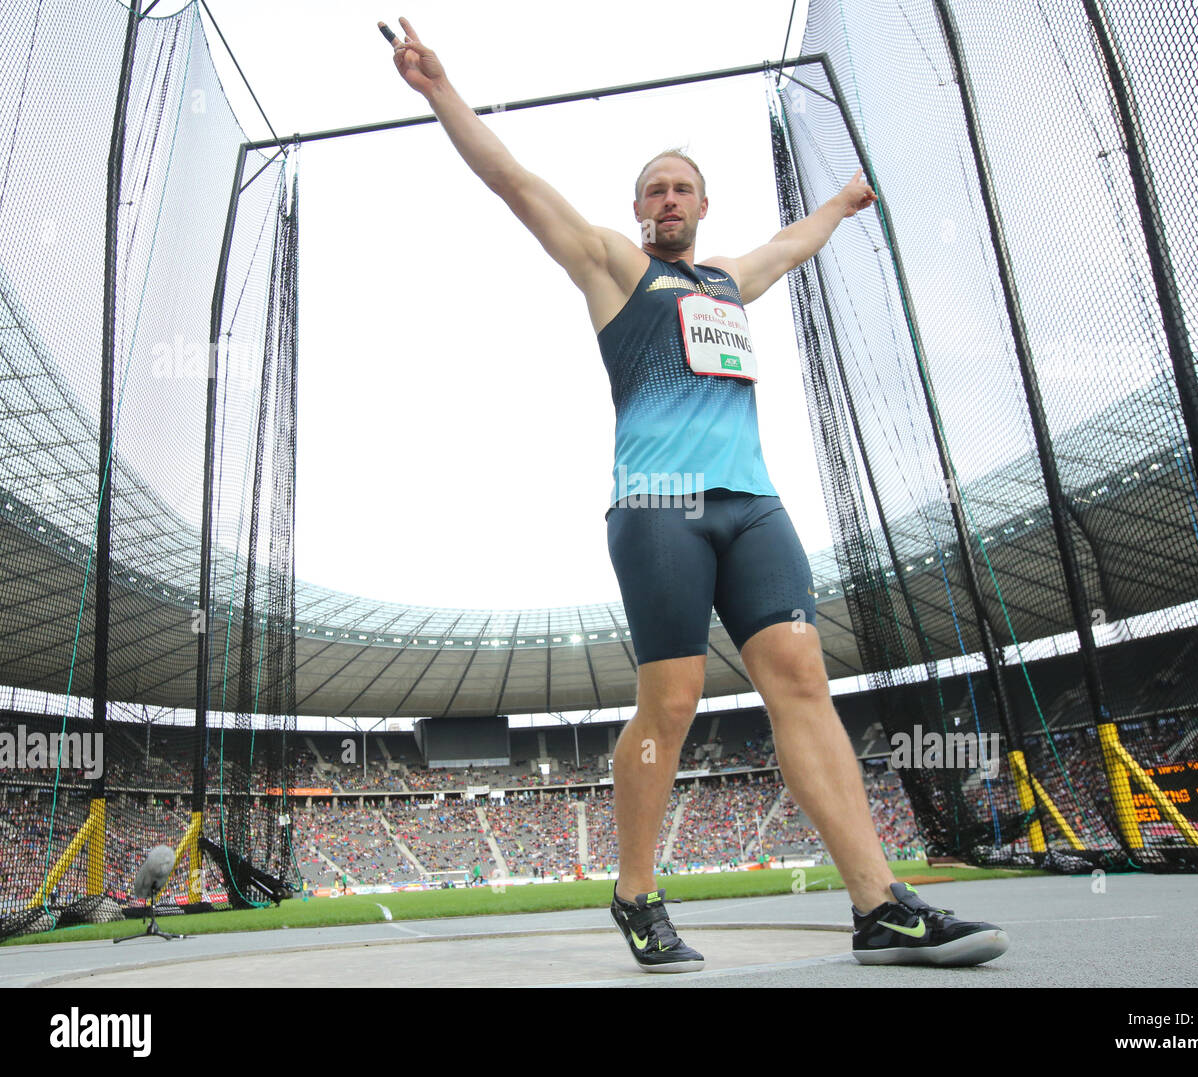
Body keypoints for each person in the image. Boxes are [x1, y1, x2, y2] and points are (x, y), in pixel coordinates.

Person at [386, 18, 1008, 972]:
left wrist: (842, 202)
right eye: (653, 190)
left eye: (681, 188)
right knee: (670, 702)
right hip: (659, 501)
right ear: (637, 210)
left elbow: (789, 245)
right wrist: (441, 92)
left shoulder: (725, 280)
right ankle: (635, 893)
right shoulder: (612, 268)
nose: (667, 200)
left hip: (754, 504)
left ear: (703, 205)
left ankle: (878, 905)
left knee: (803, 679)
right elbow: (512, 179)